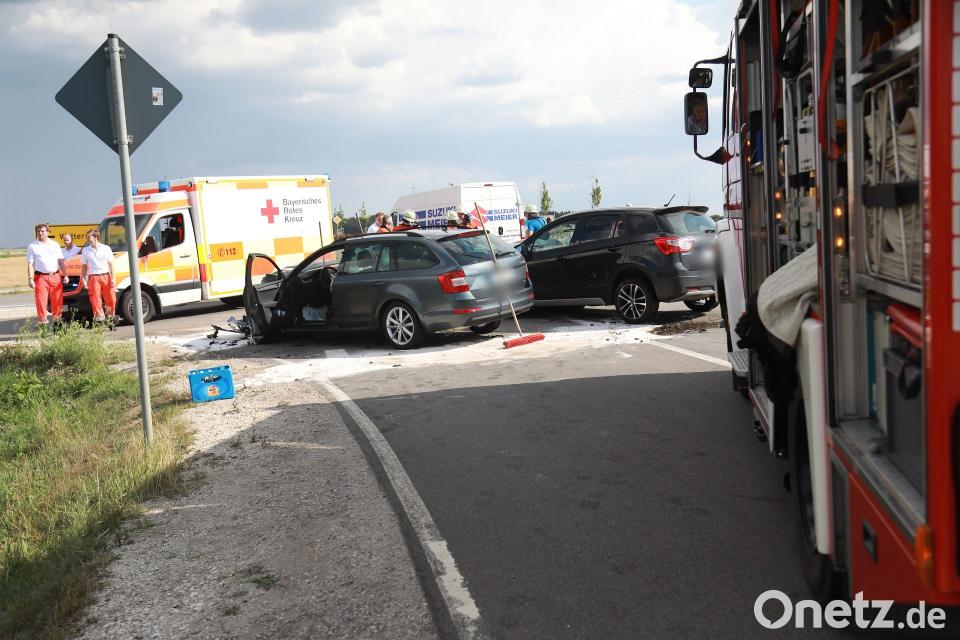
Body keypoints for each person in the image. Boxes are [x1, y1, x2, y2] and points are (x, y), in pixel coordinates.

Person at [26, 223, 68, 327]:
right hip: (41, 277)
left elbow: (61, 261)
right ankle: (42, 322)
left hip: (55, 275)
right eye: (38, 231)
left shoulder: (55, 244)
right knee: (41, 301)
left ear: (48, 232)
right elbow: (30, 263)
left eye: (42, 231)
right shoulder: (32, 246)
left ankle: (57, 322)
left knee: (57, 299)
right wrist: (30, 279)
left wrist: (65, 275)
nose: (40, 233)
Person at [81, 229, 116, 323]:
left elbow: (111, 264)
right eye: (87, 237)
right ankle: (100, 318)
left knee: (111, 298)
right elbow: (84, 266)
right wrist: (83, 279)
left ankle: (110, 317)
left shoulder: (106, 248)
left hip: (106, 275)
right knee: (95, 299)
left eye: (89, 237)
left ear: (95, 237)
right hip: (93, 277)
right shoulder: (86, 250)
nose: (87, 239)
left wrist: (113, 279)